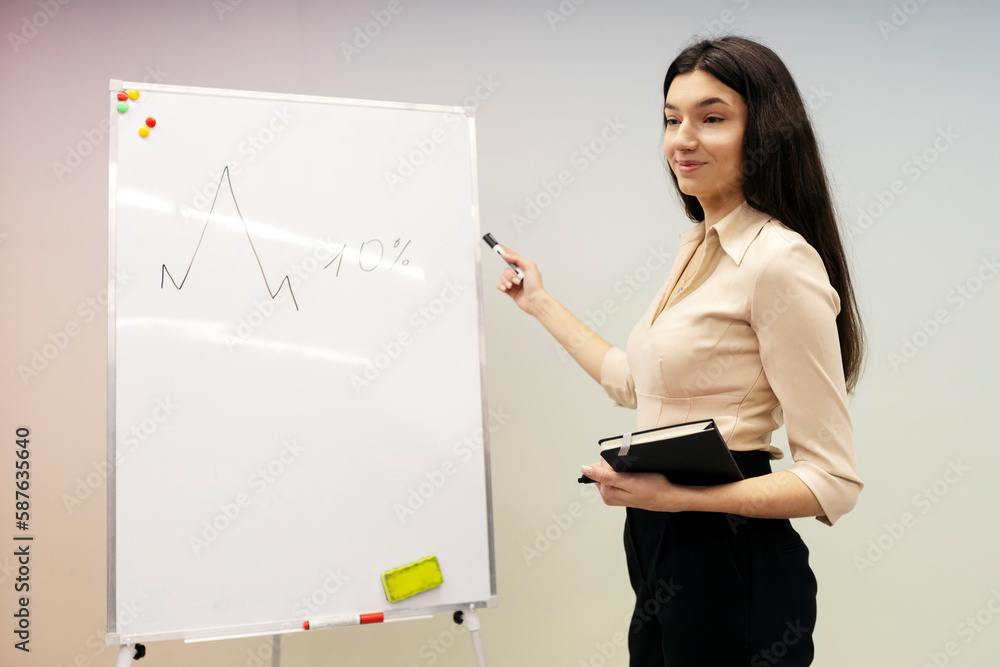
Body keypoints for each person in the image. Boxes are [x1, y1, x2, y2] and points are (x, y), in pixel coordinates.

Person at [494, 35, 864, 665]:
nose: (681, 140)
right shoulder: (698, 245)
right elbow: (634, 383)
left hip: (730, 549)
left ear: (765, 132)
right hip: (659, 537)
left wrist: (684, 498)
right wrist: (540, 302)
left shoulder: (778, 261)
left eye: (711, 118)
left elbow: (833, 481)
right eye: (671, 120)